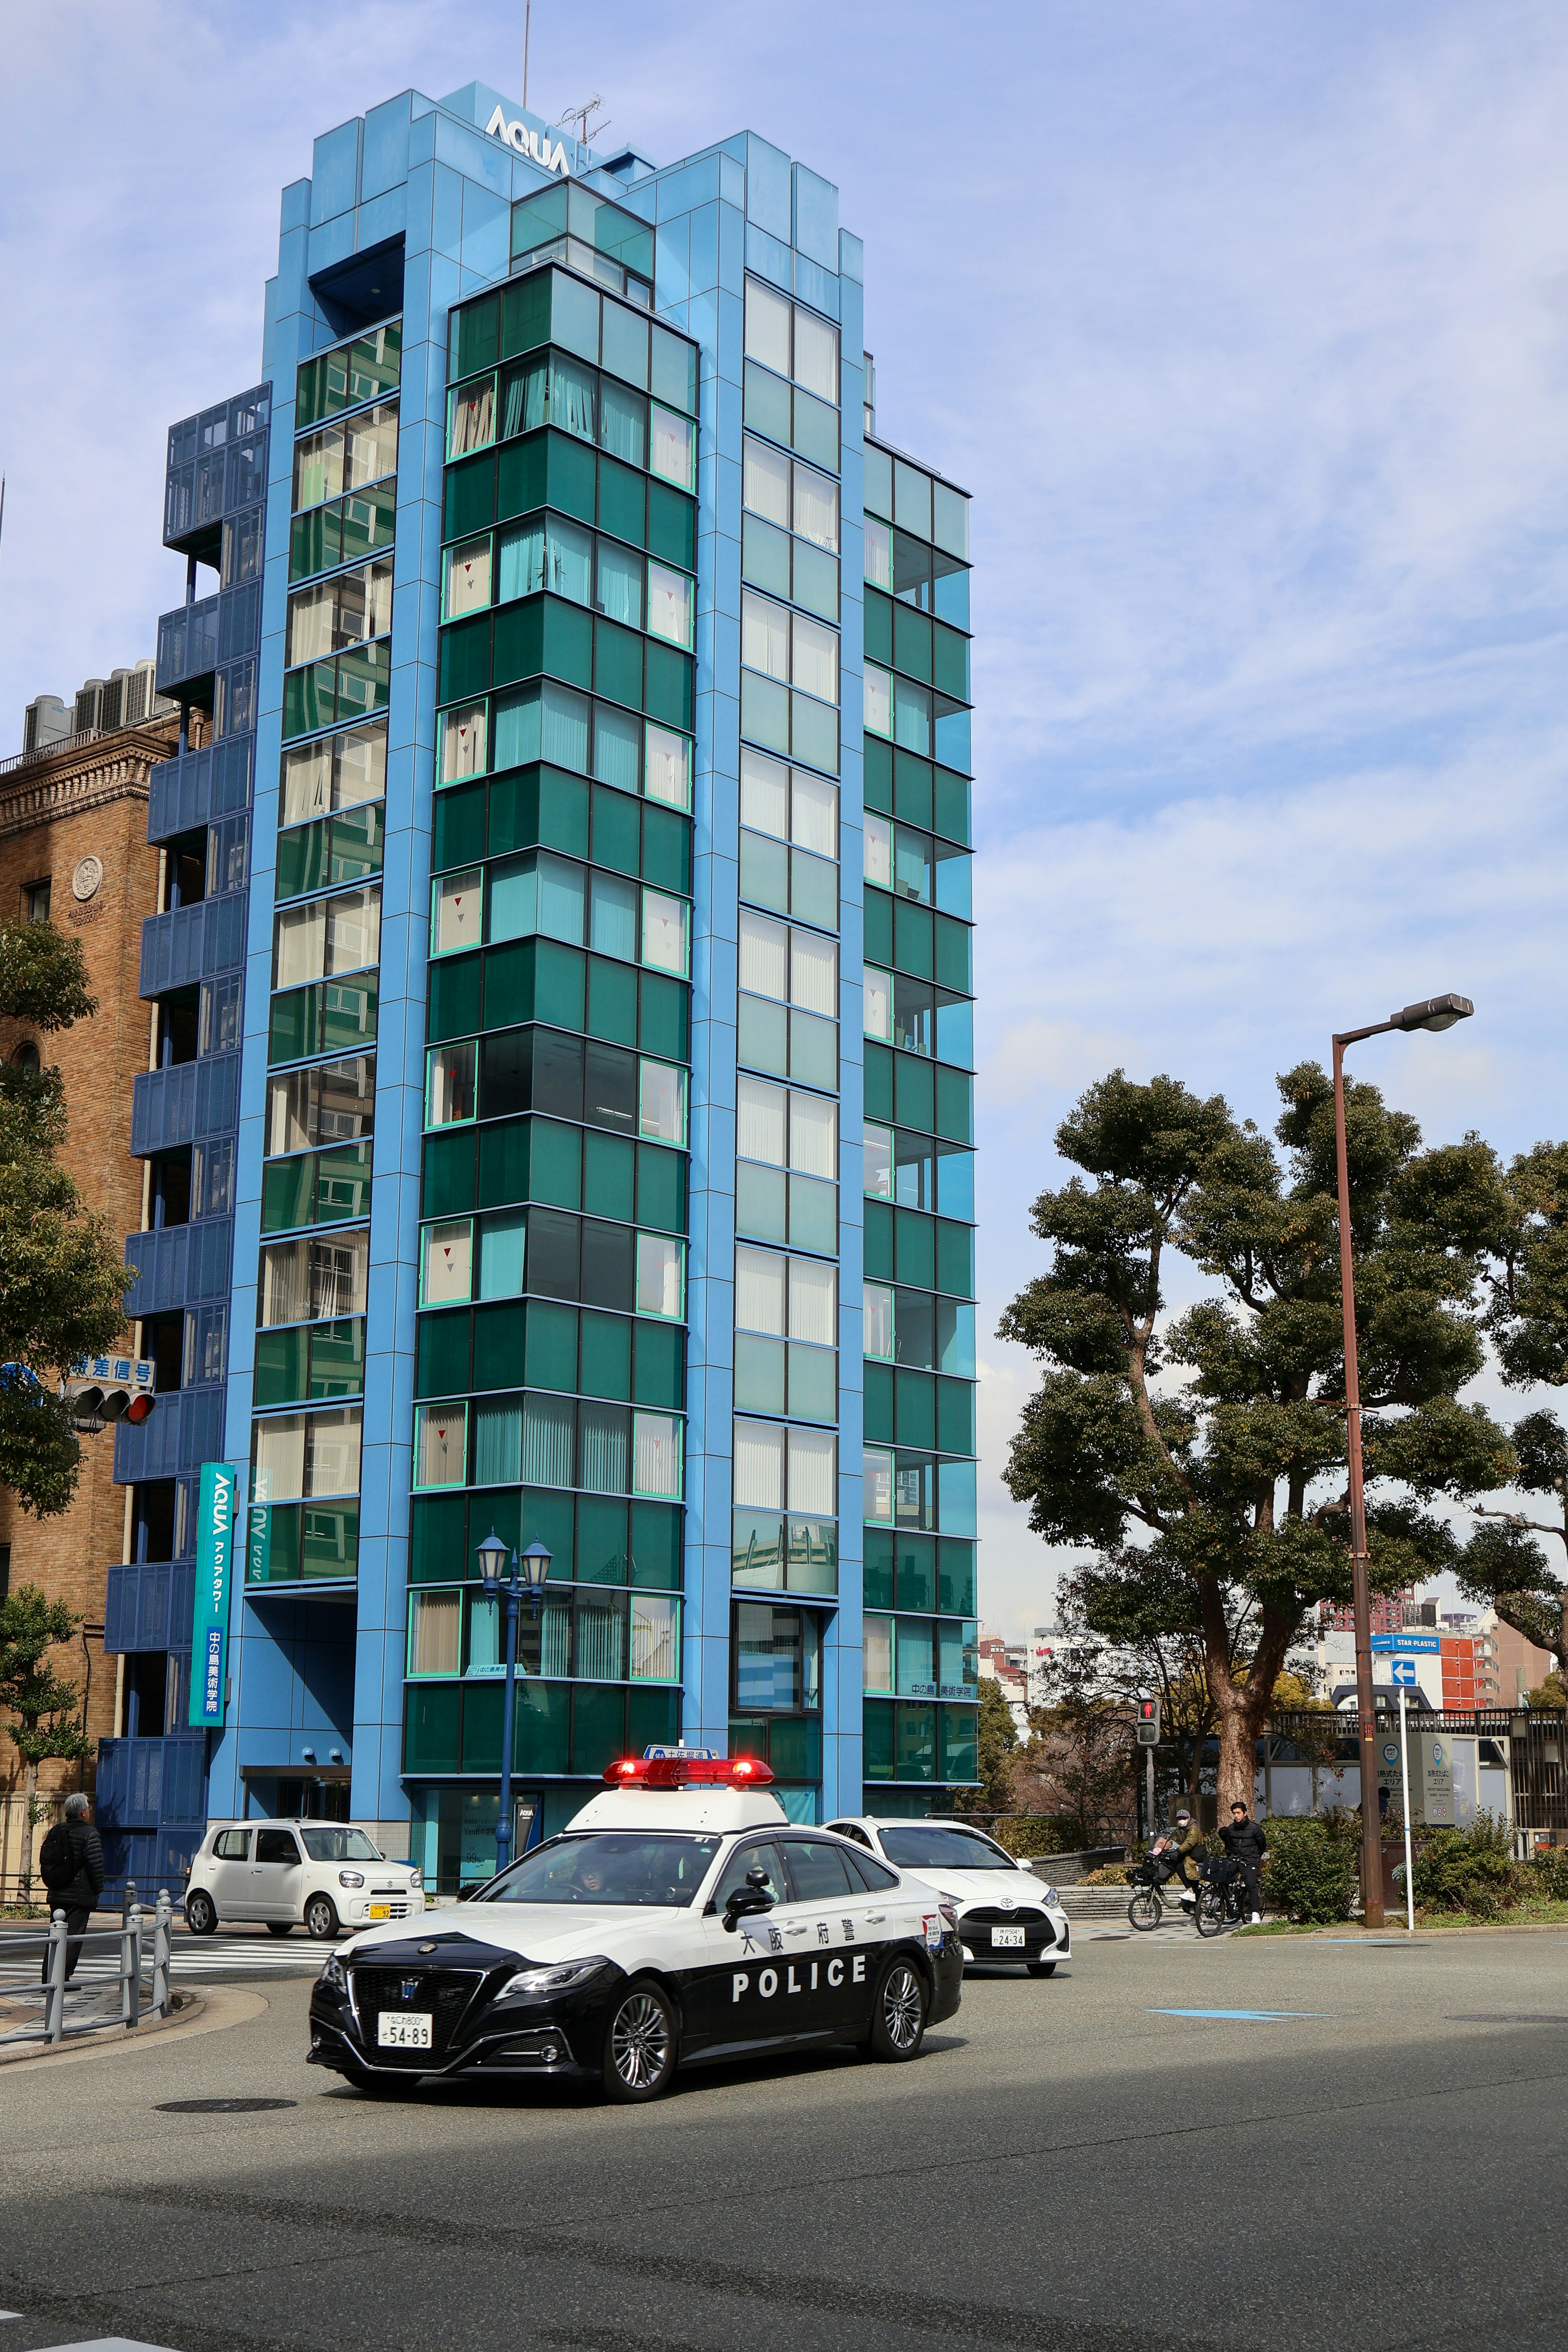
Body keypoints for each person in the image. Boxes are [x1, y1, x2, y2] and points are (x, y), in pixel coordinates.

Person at [39, 1793, 103, 1983]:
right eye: (89, 1809)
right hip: (80, 1896)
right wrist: (98, 1889)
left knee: (55, 1936)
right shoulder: (90, 1834)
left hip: (57, 1892)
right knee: (73, 1939)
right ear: (83, 1812)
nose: (89, 1812)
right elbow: (96, 1867)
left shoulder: (56, 1831)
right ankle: (62, 1979)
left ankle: (48, 1977)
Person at [1219, 1799, 1269, 1922]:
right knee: (1222, 1877)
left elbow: (1262, 1845)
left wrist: (1255, 1857)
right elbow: (1229, 1845)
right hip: (1236, 1859)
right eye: (1234, 1813)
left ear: (1245, 1813)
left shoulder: (1255, 1828)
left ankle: (1255, 1913)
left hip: (1250, 1860)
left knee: (1251, 1885)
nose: (1236, 1816)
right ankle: (1230, 1901)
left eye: (1239, 1813)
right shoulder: (1231, 1829)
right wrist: (1231, 1856)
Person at [1149, 1809, 1206, 1908]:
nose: (1181, 1821)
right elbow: (1170, 1840)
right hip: (1187, 1857)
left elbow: (1189, 1842)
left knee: (1182, 1869)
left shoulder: (1194, 1829)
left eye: (1184, 1818)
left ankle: (1191, 1894)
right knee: (1176, 1866)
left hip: (1195, 1858)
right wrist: (1158, 1850)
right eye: (1179, 1819)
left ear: (1189, 1819)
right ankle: (1191, 1896)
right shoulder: (1180, 1830)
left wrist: (1178, 1851)